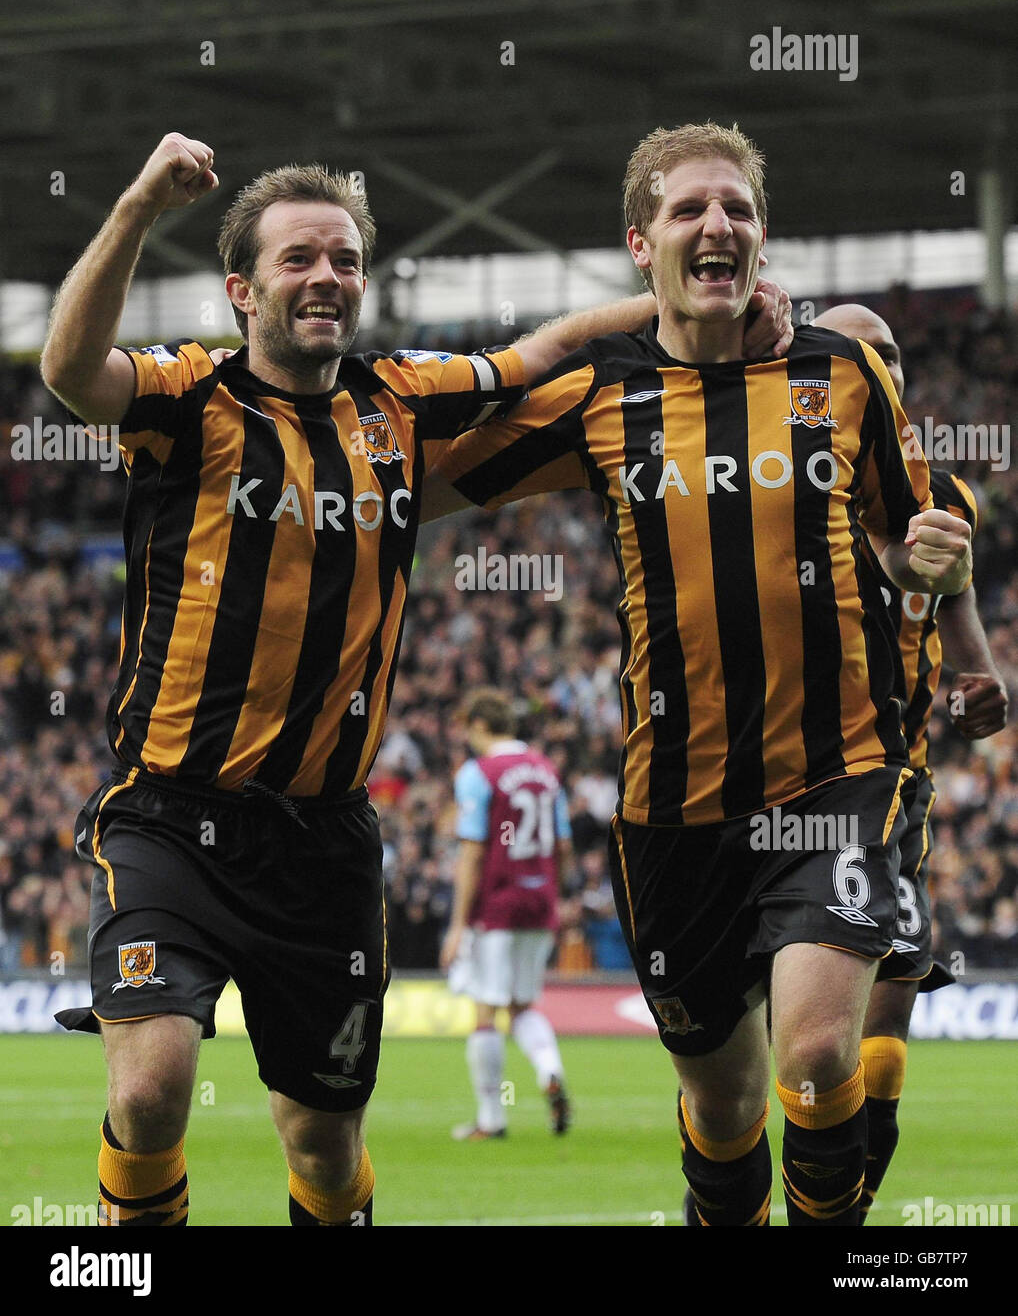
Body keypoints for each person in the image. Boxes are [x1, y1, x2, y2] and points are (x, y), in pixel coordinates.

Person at [39, 131, 792, 1228]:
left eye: (344, 259)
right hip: (169, 821)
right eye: (299, 260)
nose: (327, 278)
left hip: (322, 846)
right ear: (242, 287)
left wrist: (693, 314)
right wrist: (138, 206)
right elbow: (68, 373)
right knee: (152, 1089)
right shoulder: (187, 396)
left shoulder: (397, 404)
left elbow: (535, 355)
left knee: (327, 1144)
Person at [425, 121, 974, 1226]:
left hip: (837, 777)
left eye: (736, 209)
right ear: (641, 243)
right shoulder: (601, 395)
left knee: (817, 1055)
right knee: (724, 1112)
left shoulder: (844, 373)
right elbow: (425, 479)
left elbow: (910, 532)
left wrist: (935, 587)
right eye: (688, 211)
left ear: (763, 240)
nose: (715, 224)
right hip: (670, 810)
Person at [813, 304, 1009, 1222]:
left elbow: (957, 614)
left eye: (889, 354)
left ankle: (849, 1203)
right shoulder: (785, 478)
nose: (877, 365)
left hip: (892, 778)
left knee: (884, 1011)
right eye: (856, 353)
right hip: (773, 775)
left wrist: (982, 682)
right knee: (763, 1052)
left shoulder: (947, 496)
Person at [440, 688, 572, 1139]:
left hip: (496, 905)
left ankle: (491, 1119)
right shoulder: (546, 770)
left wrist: (458, 925)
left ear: (479, 724)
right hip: (539, 900)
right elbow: (564, 844)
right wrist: (558, 892)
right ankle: (549, 1069)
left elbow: (473, 853)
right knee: (521, 1005)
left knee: (485, 1011)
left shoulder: (479, 773)